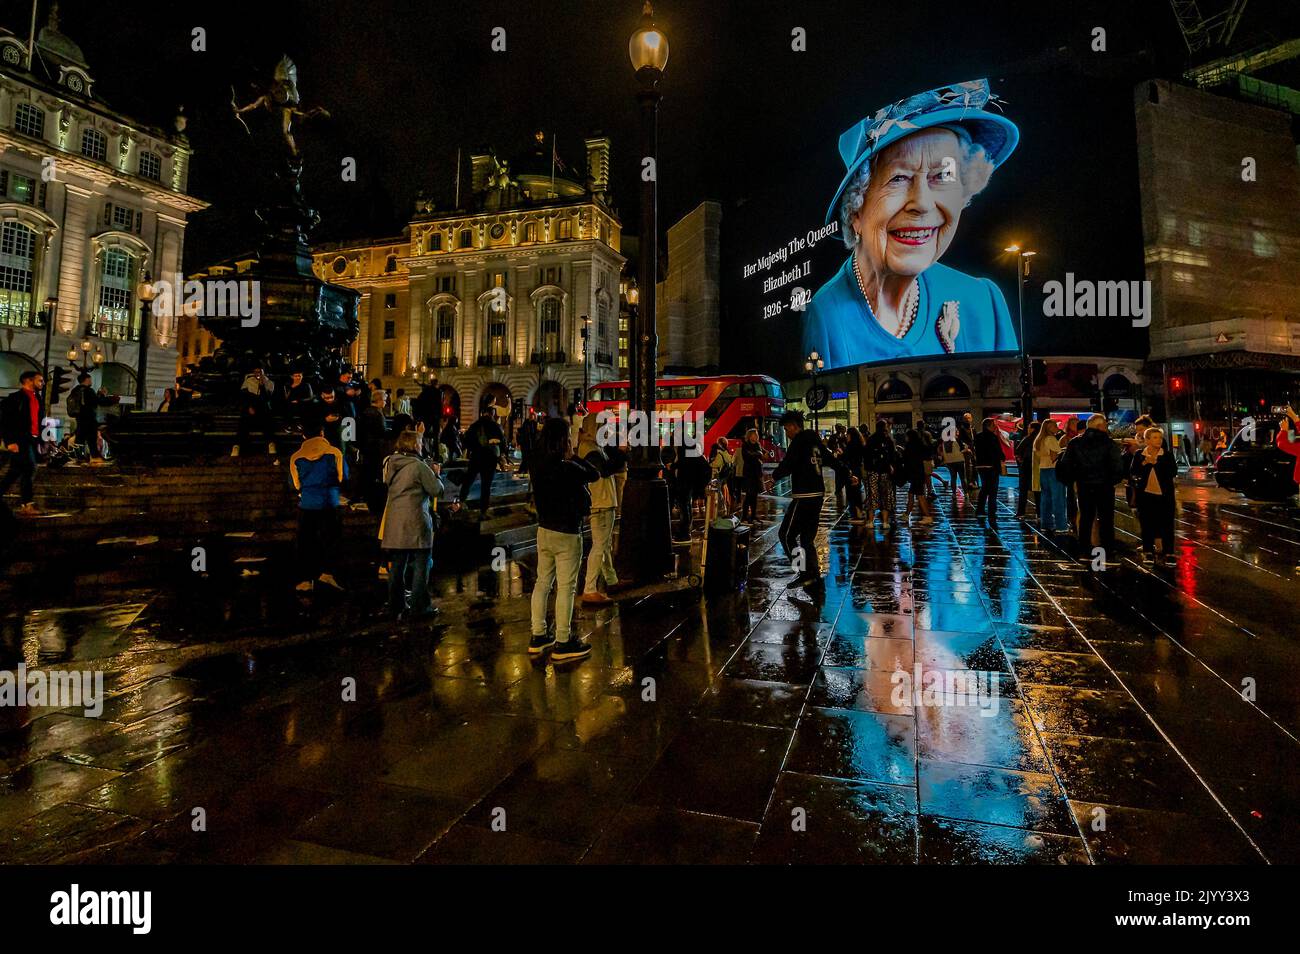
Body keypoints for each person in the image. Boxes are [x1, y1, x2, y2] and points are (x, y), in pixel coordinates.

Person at [803, 79, 1019, 369]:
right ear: (855, 211)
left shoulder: (983, 303)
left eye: (942, 176)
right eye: (899, 178)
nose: (923, 203)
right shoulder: (827, 317)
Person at [529, 417, 600, 661]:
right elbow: (594, 474)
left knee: (542, 582)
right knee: (566, 587)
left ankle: (538, 635)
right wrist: (574, 455)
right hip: (567, 532)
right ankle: (563, 640)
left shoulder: (537, 464)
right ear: (564, 440)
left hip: (544, 529)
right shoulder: (566, 467)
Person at [772, 409, 857, 588]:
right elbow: (832, 461)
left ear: (794, 427)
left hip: (803, 495)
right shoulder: (815, 443)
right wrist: (848, 473)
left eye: (787, 429)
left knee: (786, 535)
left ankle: (803, 572)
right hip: (817, 495)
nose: (786, 434)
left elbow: (788, 463)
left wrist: (774, 476)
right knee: (807, 538)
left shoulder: (798, 442)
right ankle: (814, 575)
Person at [380, 429, 447, 616]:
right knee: (421, 563)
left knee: (397, 565)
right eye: (420, 442)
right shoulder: (418, 466)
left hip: (394, 523)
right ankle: (420, 606)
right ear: (415, 445)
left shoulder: (390, 463)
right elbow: (436, 490)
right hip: (416, 521)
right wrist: (437, 474)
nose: (422, 445)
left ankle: (395, 604)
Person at [288, 418, 346, 592]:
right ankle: (328, 574)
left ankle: (306, 579)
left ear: (304, 435)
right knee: (331, 540)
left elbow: (295, 484)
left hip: (307, 504)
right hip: (330, 501)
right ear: (322, 433)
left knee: (306, 542)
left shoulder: (296, 457)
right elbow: (343, 477)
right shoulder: (335, 452)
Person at [1057, 413, 1124, 563]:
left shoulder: (1075, 443)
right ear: (1100, 426)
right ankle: (1108, 552)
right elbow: (1118, 466)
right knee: (1106, 519)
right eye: (1105, 425)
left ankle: (1084, 551)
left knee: (1086, 518)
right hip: (1104, 486)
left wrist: (1073, 479)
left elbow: (1066, 464)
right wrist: (1112, 480)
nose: (1106, 427)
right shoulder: (1108, 443)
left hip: (1084, 485)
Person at [576, 414, 620, 607]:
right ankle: (590, 588)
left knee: (604, 543)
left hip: (601, 501)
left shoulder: (593, 447)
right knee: (600, 546)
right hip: (600, 502)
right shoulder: (591, 449)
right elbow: (606, 470)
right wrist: (620, 450)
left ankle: (611, 580)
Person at [1130, 425, 1176, 565]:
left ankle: (1169, 552)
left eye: (1160, 437)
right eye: (1155, 438)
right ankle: (1148, 551)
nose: (1159, 440)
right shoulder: (1140, 454)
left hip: (1164, 495)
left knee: (1167, 524)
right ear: (1147, 440)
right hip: (1146, 495)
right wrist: (1146, 463)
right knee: (1147, 523)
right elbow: (1133, 473)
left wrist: (1157, 463)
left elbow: (1172, 471)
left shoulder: (1166, 455)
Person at [0, 370, 44, 514]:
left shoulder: (37, 398)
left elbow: (38, 421)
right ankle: (27, 504)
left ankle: (26, 504)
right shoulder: (15, 399)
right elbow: (5, 422)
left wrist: (42, 441)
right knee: (29, 468)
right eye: (39, 380)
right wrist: (10, 441)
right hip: (20, 439)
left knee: (14, 472)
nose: (42, 383)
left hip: (32, 439)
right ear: (28, 381)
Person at [458, 408, 504, 519]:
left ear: (483, 413)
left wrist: (474, 449)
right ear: (492, 415)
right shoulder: (496, 427)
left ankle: (460, 502)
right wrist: (500, 456)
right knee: (486, 485)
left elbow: (466, 442)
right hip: (490, 460)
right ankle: (483, 511)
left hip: (476, 458)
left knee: (468, 481)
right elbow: (503, 443)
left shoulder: (475, 426)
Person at [232, 365, 277, 458]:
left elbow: (267, 397)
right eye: (255, 372)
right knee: (243, 421)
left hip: (263, 407)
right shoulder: (248, 381)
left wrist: (261, 384)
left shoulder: (269, 383)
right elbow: (243, 396)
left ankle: (271, 443)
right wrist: (249, 407)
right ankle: (237, 445)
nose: (258, 374)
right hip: (250, 406)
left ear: (263, 372)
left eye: (260, 372)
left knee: (267, 421)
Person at [66, 373, 114, 459]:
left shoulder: (75, 390)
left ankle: (79, 457)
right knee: (92, 440)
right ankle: (95, 457)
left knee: (80, 439)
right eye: (90, 379)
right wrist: (107, 397)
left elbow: (88, 402)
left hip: (79, 418)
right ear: (87, 380)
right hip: (89, 419)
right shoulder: (88, 390)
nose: (91, 381)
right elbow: (98, 402)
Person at [1033, 418, 1067, 533]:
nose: (1057, 427)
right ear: (1049, 428)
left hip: (1043, 469)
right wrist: (1063, 451)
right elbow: (1054, 456)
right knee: (1058, 498)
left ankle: (1046, 524)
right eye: (1054, 426)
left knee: (1045, 498)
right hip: (1054, 470)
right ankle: (1061, 525)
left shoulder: (1039, 440)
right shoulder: (1051, 439)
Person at [863, 420, 898, 529]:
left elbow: (866, 456)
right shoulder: (888, 440)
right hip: (885, 471)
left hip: (873, 471)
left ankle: (870, 520)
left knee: (872, 495)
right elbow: (893, 456)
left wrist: (868, 468)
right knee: (885, 496)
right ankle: (885, 521)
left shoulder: (871, 439)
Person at [973, 417, 1004, 519]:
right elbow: (998, 452)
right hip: (992, 466)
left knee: (985, 488)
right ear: (988, 426)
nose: (995, 427)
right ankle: (992, 510)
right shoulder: (993, 437)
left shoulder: (978, 436)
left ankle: (980, 509)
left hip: (981, 465)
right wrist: (1002, 457)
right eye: (993, 425)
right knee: (993, 490)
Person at [902, 429, 934, 524]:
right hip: (919, 472)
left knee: (920, 495)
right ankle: (907, 514)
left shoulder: (909, 446)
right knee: (911, 494)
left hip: (914, 473)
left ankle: (927, 516)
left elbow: (906, 459)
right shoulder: (921, 445)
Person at [738, 427, 765, 522]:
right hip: (749, 473)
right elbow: (747, 456)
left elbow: (761, 454)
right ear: (750, 436)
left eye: (757, 435)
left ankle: (753, 515)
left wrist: (757, 454)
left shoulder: (758, 444)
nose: (756, 436)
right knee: (749, 495)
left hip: (757, 473)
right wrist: (758, 454)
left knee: (755, 496)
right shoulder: (745, 445)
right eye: (754, 434)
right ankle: (744, 516)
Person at [1015, 420, 1040, 518]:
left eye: (1029, 427)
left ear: (1033, 429)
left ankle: (1021, 512)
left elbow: (1018, 450)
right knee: (1037, 491)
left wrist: (1021, 459)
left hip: (1026, 466)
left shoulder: (1028, 438)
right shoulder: (1041, 439)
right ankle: (1039, 512)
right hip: (1037, 466)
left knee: (1023, 490)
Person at [842, 426, 868, 523]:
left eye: (847, 435)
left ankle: (857, 514)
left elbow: (847, 458)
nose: (846, 436)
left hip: (851, 471)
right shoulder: (860, 444)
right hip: (858, 470)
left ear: (850, 435)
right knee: (857, 492)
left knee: (852, 493)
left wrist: (841, 454)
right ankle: (859, 512)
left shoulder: (850, 445)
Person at [708, 439, 735, 513]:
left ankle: (721, 507)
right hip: (725, 474)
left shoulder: (719, 452)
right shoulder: (726, 452)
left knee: (718, 490)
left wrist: (710, 464)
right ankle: (724, 505)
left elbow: (716, 464)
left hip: (718, 473)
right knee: (721, 489)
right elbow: (731, 460)